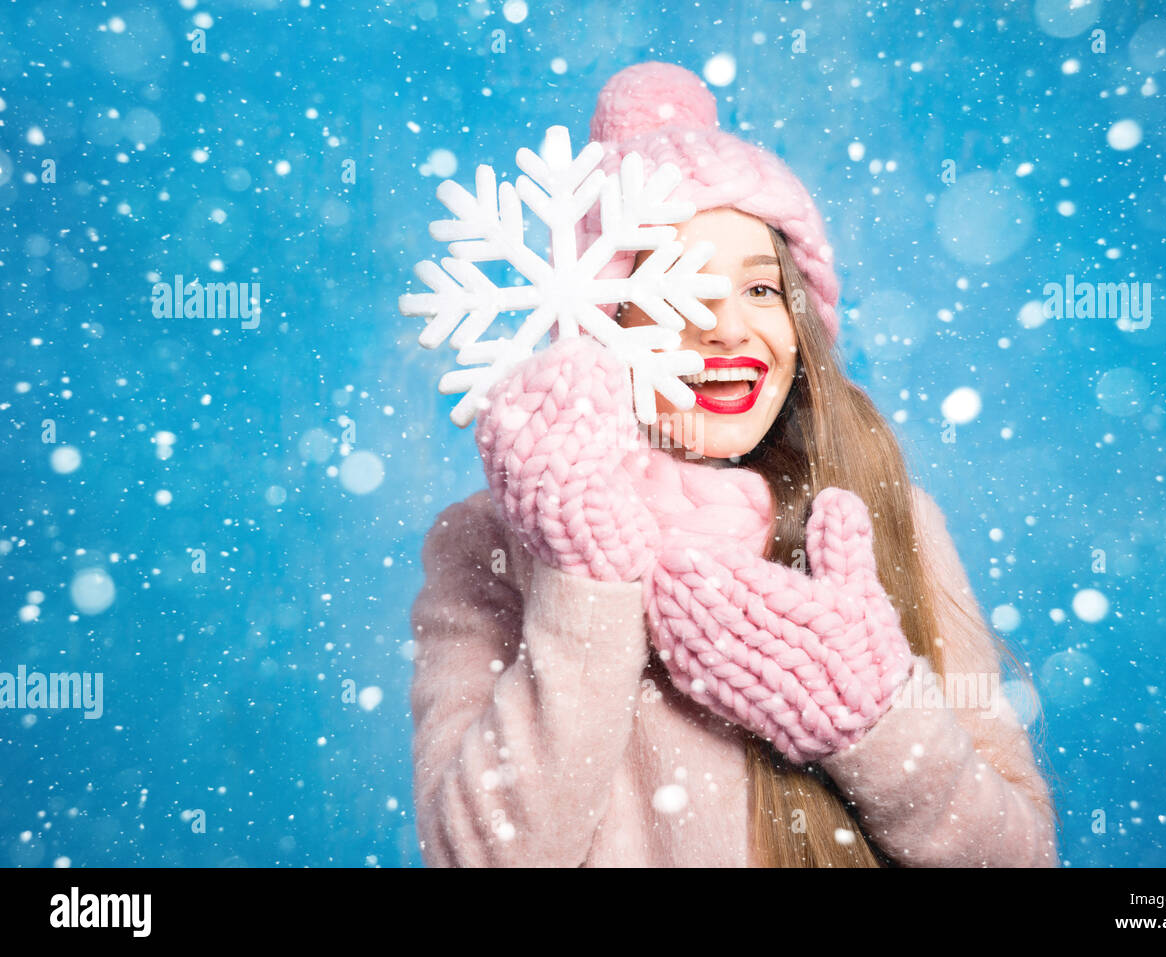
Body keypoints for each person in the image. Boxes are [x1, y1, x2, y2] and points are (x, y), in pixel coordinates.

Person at [409, 61, 1060, 867]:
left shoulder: (885, 511)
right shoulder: (492, 542)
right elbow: (482, 856)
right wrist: (585, 574)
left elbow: (1018, 855)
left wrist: (876, 721)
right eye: (680, 286)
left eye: (760, 290)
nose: (726, 329)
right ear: (601, 323)